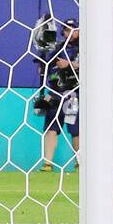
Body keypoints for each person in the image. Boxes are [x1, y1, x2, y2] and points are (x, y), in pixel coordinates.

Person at [39, 18, 80, 172]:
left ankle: (79, 162)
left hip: (72, 94)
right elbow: (47, 65)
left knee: (75, 129)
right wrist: (43, 67)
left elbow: (89, 65)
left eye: (71, 29)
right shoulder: (57, 48)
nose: (67, 32)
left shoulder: (84, 48)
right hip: (55, 92)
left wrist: (68, 64)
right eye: (65, 29)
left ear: (78, 31)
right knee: (51, 127)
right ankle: (47, 164)